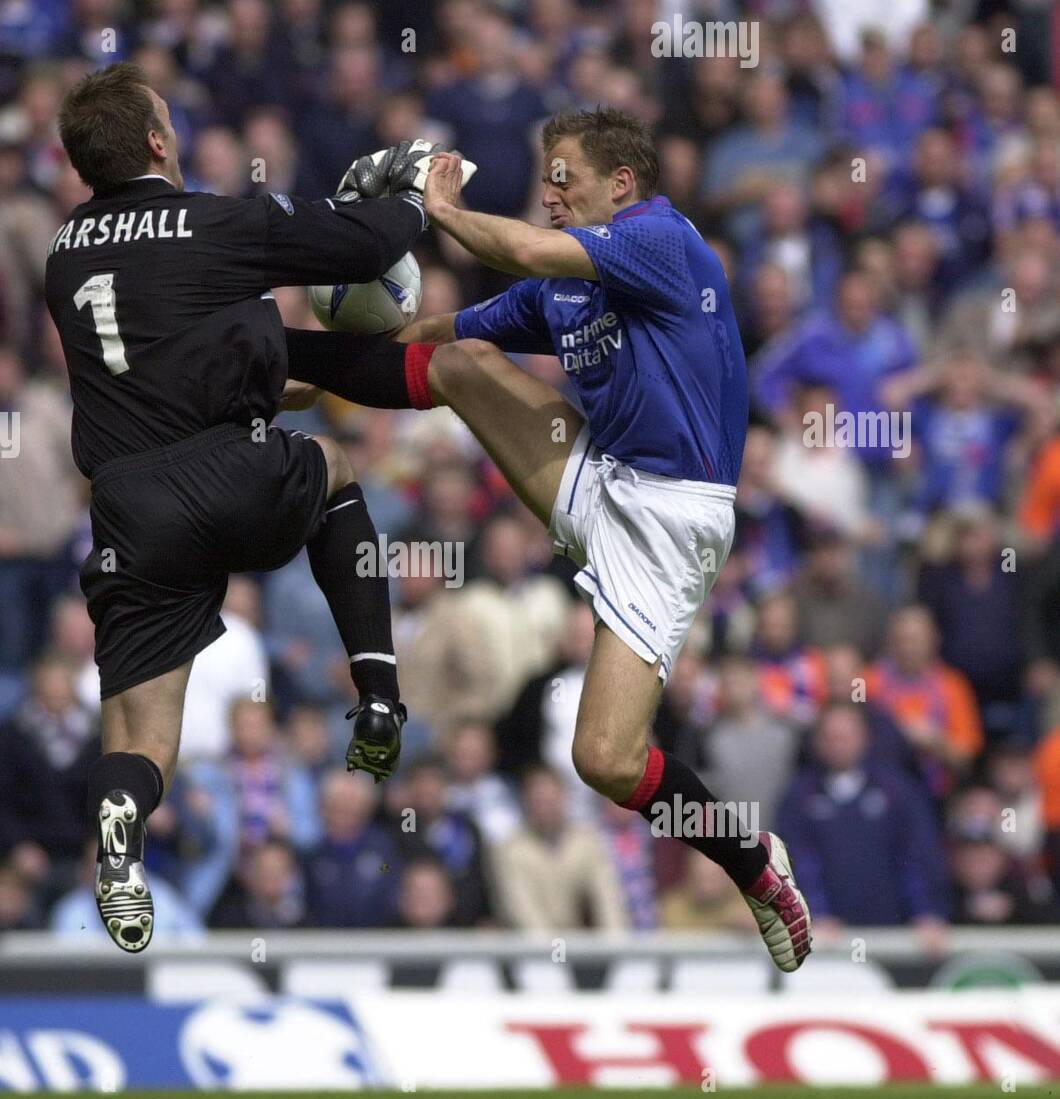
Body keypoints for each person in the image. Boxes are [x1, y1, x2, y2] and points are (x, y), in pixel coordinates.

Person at [288, 108, 812, 970]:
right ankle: (266, 361)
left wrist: (438, 207)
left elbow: (523, 249)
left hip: (674, 519)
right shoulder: (563, 291)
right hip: (598, 475)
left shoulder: (663, 241)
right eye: (547, 175)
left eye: (564, 176)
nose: (549, 191)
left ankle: (754, 865)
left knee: (604, 759)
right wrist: (309, 369)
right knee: (461, 366)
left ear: (622, 185)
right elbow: (439, 335)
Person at [46, 63, 440, 951]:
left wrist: (262, 363)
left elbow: (174, 345)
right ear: (156, 139)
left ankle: (120, 831)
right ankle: (378, 697)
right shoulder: (209, 220)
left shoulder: (62, 253)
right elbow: (363, 248)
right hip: (226, 471)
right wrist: (419, 198)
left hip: (126, 508)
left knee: (142, 732)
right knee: (335, 467)